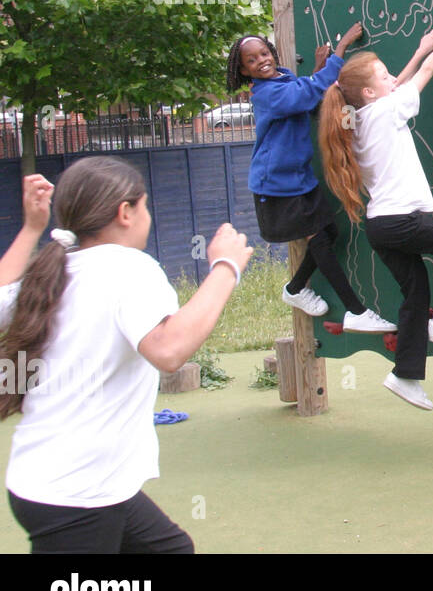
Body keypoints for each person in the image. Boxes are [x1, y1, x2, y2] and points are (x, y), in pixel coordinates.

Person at [0, 159, 252, 553]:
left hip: (53, 484)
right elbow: (168, 350)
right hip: (77, 495)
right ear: (125, 212)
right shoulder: (128, 269)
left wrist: (33, 228)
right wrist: (225, 268)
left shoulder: (53, 270)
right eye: (145, 205)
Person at [319, 16, 433, 410]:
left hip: (382, 227)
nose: (393, 77)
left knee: (415, 294)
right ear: (370, 92)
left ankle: (405, 375)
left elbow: (397, 85)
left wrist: (418, 49)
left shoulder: (355, 119)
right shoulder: (386, 110)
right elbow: (423, 75)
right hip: (401, 222)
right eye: (384, 75)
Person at [228, 23, 393, 334]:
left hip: (298, 177)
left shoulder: (283, 79)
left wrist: (318, 70)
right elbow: (303, 96)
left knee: (329, 234)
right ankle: (356, 310)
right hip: (276, 185)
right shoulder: (265, 93)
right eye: (251, 60)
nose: (261, 60)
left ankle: (294, 289)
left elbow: (304, 94)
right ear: (243, 69)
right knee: (319, 240)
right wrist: (341, 48)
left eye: (264, 53)